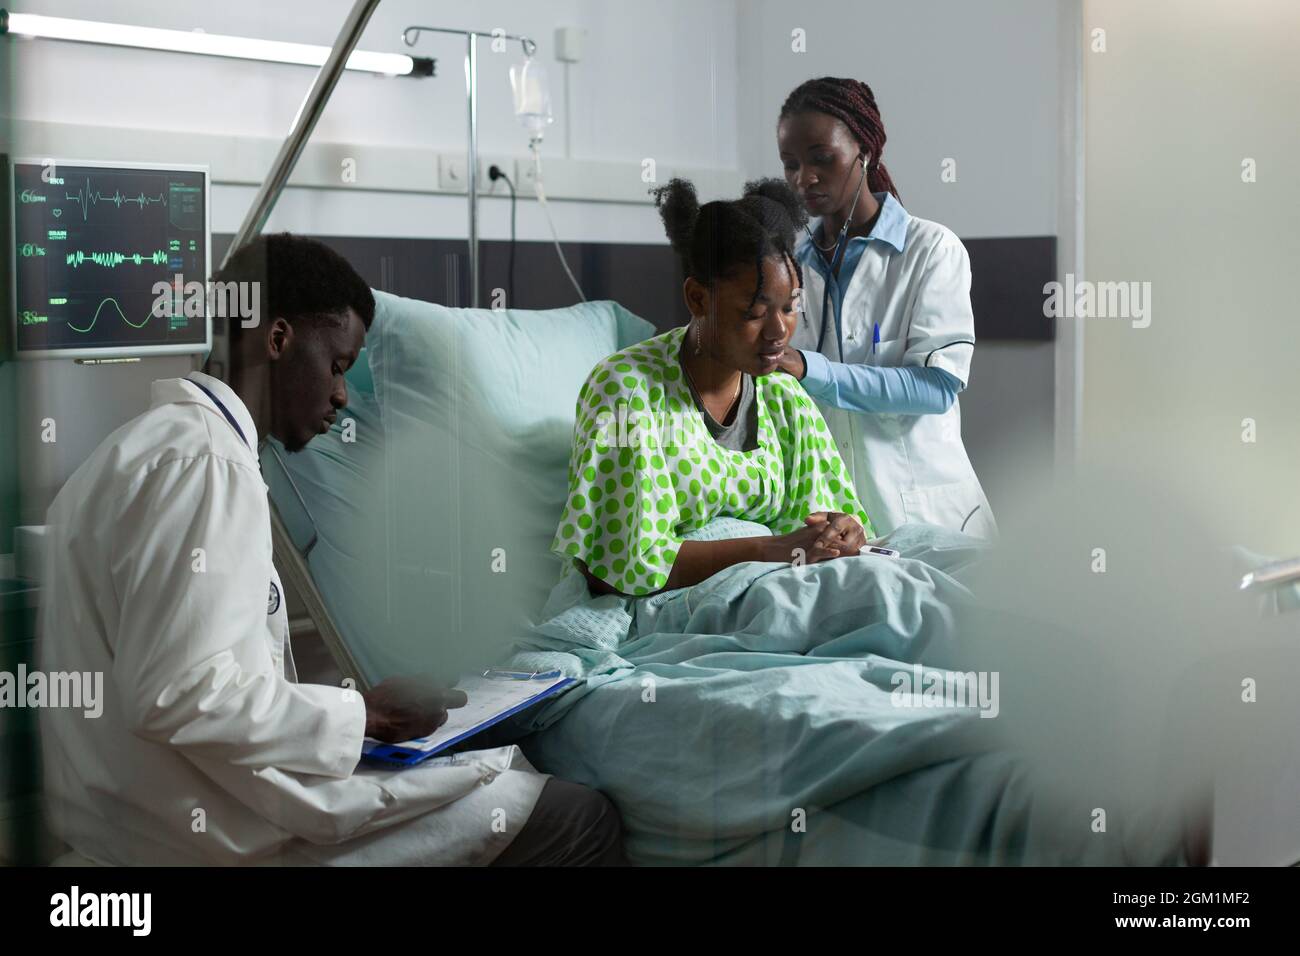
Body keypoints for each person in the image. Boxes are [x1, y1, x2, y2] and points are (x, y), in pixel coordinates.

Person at [38, 232, 624, 866]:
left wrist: (351, 720)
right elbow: (182, 694)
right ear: (277, 337)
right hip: (207, 836)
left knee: (488, 779)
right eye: (338, 365)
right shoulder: (206, 465)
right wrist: (364, 714)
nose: (342, 396)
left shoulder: (129, 455)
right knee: (574, 817)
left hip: (142, 819)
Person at [552, 178, 871, 598]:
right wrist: (769, 550)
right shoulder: (628, 393)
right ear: (697, 299)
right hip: (673, 602)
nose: (779, 331)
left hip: (780, 586)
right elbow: (614, 568)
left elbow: (819, 520)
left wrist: (841, 532)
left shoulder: (782, 396)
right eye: (755, 312)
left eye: (790, 307)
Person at [775, 76, 997, 540]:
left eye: (821, 158)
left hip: (926, 511)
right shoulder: (791, 264)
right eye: (790, 163)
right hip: (834, 518)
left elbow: (936, 388)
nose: (804, 178)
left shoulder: (931, 249)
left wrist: (809, 369)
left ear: (866, 151)